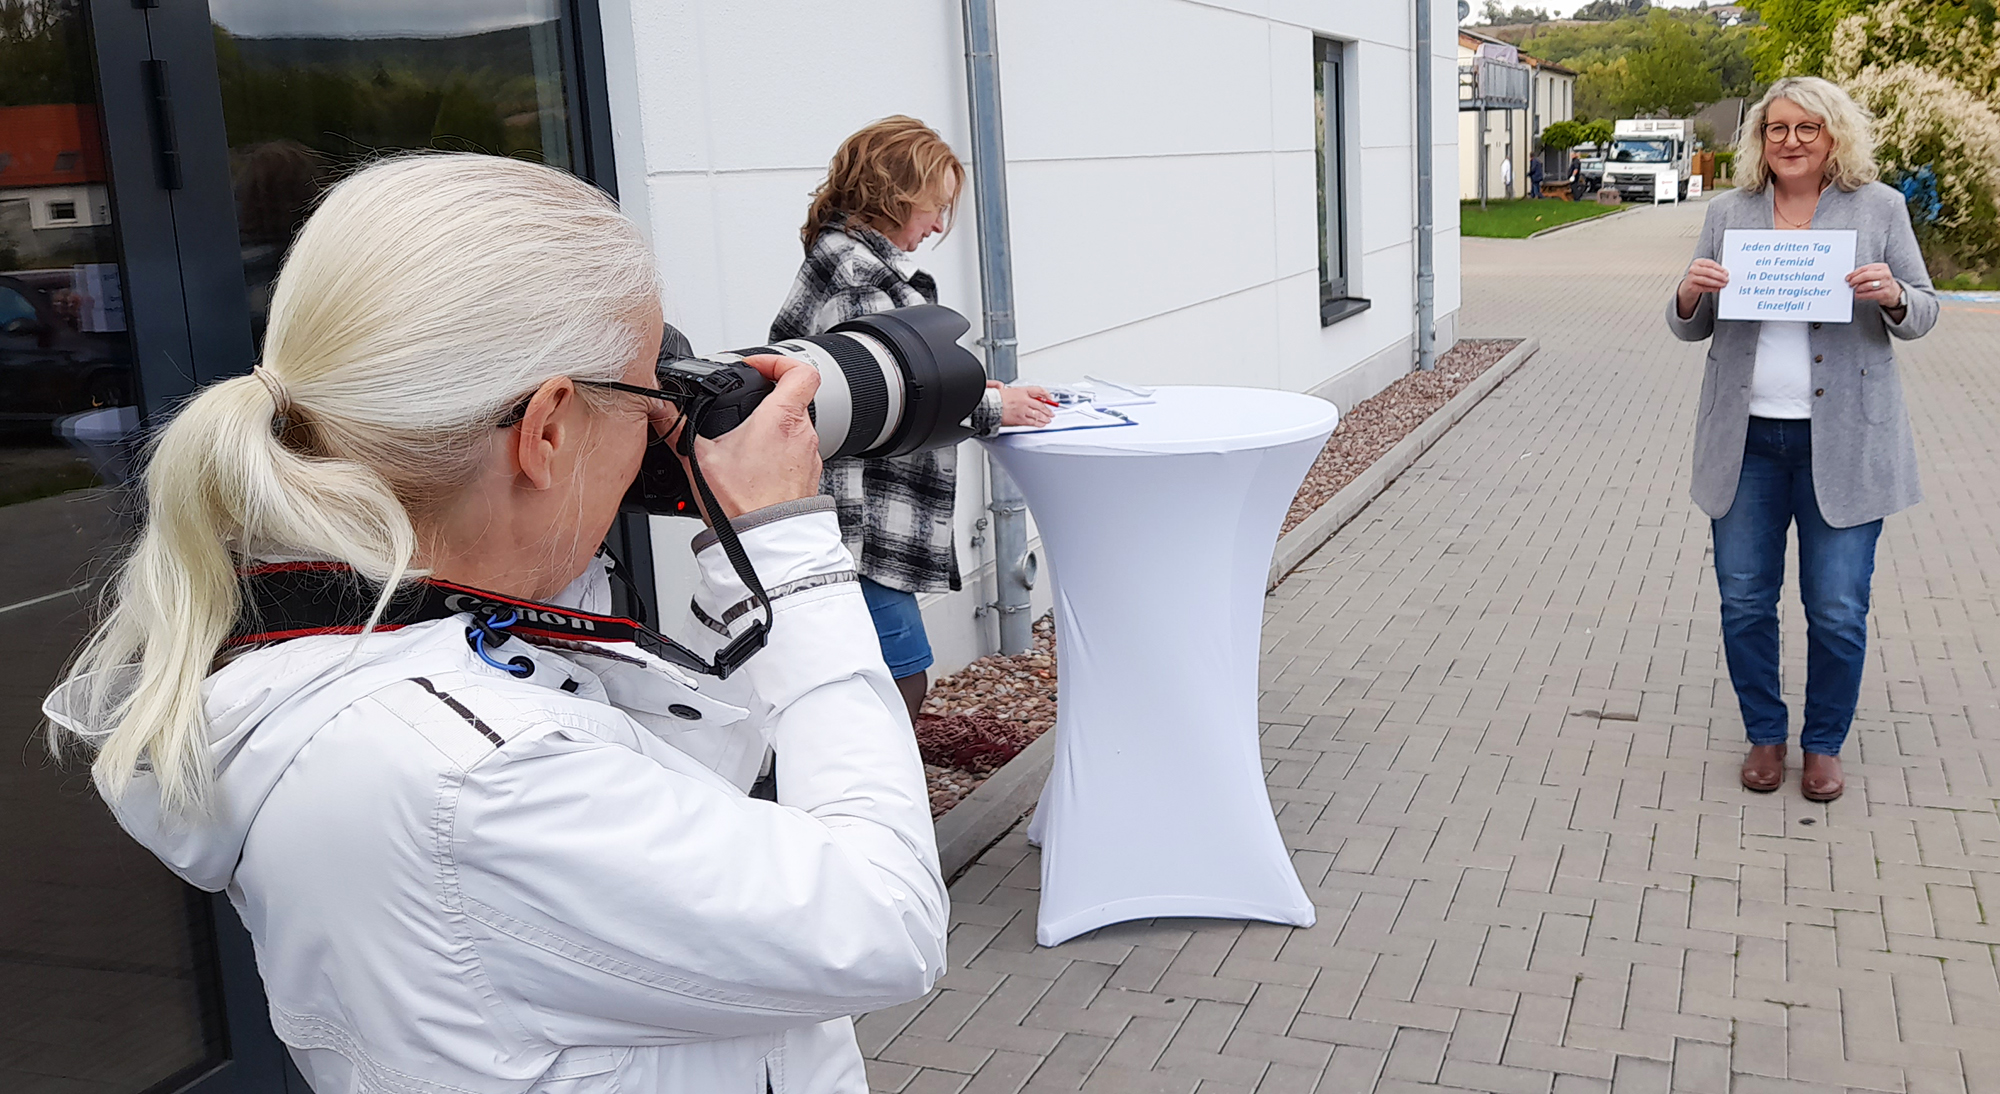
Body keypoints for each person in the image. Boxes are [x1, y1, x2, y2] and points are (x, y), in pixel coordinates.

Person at [44, 154, 946, 1093]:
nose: (666, 418)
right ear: (547, 429)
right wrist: (788, 556)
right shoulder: (479, 778)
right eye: (650, 390)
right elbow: (885, 919)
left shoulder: (359, 636)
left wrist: (594, 480)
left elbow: (666, 741)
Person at [1667, 77, 1938, 801]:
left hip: (1845, 443)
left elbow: (1924, 312)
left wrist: (1895, 295)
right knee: (1745, 601)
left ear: (1834, 136)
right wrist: (1691, 291)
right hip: (1748, 443)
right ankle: (1765, 733)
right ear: (1760, 140)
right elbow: (1690, 324)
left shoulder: (1879, 209)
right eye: (1777, 129)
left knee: (1839, 608)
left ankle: (1823, 745)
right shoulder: (1729, 212)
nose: (1790, 141)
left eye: (1807, 129)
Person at [771, 116, 1052, 721]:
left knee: (863, 678)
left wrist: (968, 387)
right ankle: (867, 809)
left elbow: (889, 379)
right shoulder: (859, 277)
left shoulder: (844, 259)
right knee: (899, 682)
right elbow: (888, 398)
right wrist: (996, 407)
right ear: (895, 193)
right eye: (935, 206)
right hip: (857, 525)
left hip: (850, 518)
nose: (938, 225)